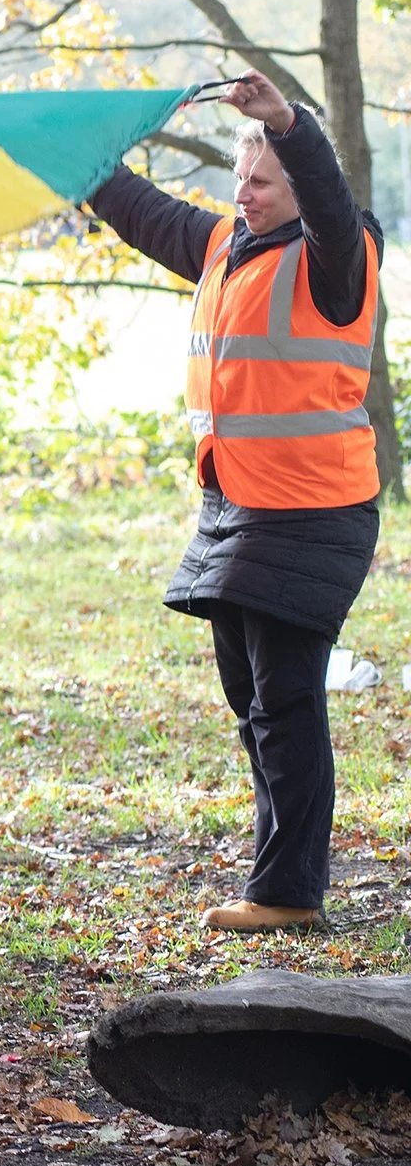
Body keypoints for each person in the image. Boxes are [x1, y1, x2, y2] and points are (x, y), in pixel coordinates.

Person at [89, 70, 383, 932]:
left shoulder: (339, 253)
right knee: (247, 694)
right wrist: (87, 166)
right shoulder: (227, 246)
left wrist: (287, 123)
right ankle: (279, 873)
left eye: (262, 182)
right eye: (239, 182)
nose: (245, 196)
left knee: (284, 698)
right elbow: (147, 215)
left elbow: (327, 196)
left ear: (297, 181)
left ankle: (288, 894)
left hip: (315, 510)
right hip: (240, 509)